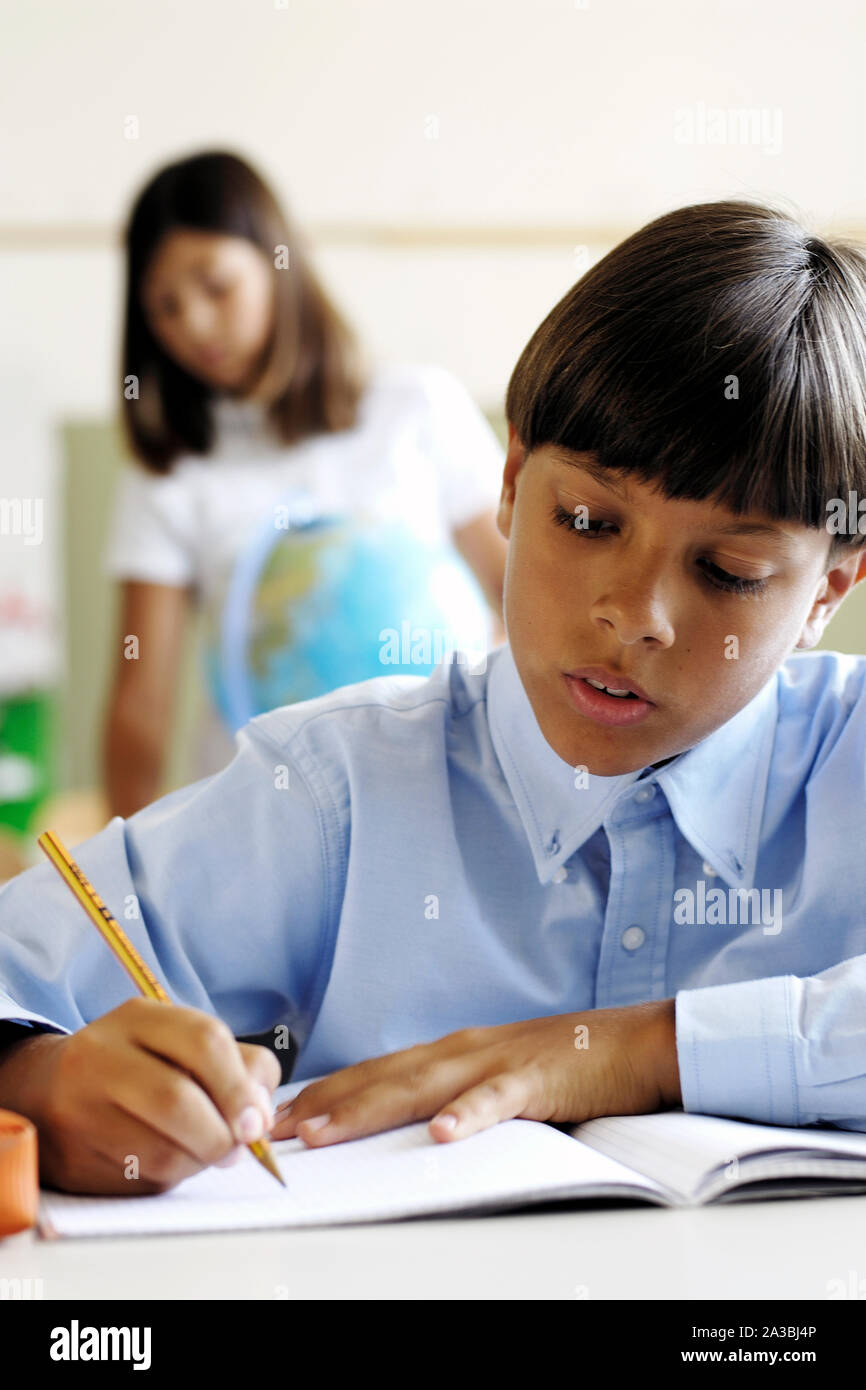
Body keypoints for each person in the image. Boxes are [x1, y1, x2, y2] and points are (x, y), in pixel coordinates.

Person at [2, 198, 866, 1197]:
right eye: (585, 519)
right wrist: (41, 1078)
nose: (631, 616)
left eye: (725, 570)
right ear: (506, 483)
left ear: (827, 593)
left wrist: (641, 1049)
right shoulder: (332, 794)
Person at [102, 149, 507, 818]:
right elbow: (141, 699)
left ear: (277, 259)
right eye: (164, 307)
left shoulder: (418, 408)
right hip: (260, 820)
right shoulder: (170, 470)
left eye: (215, 286)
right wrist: (115, 883)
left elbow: (522, 601)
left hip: (445, 801)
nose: (193, 325)